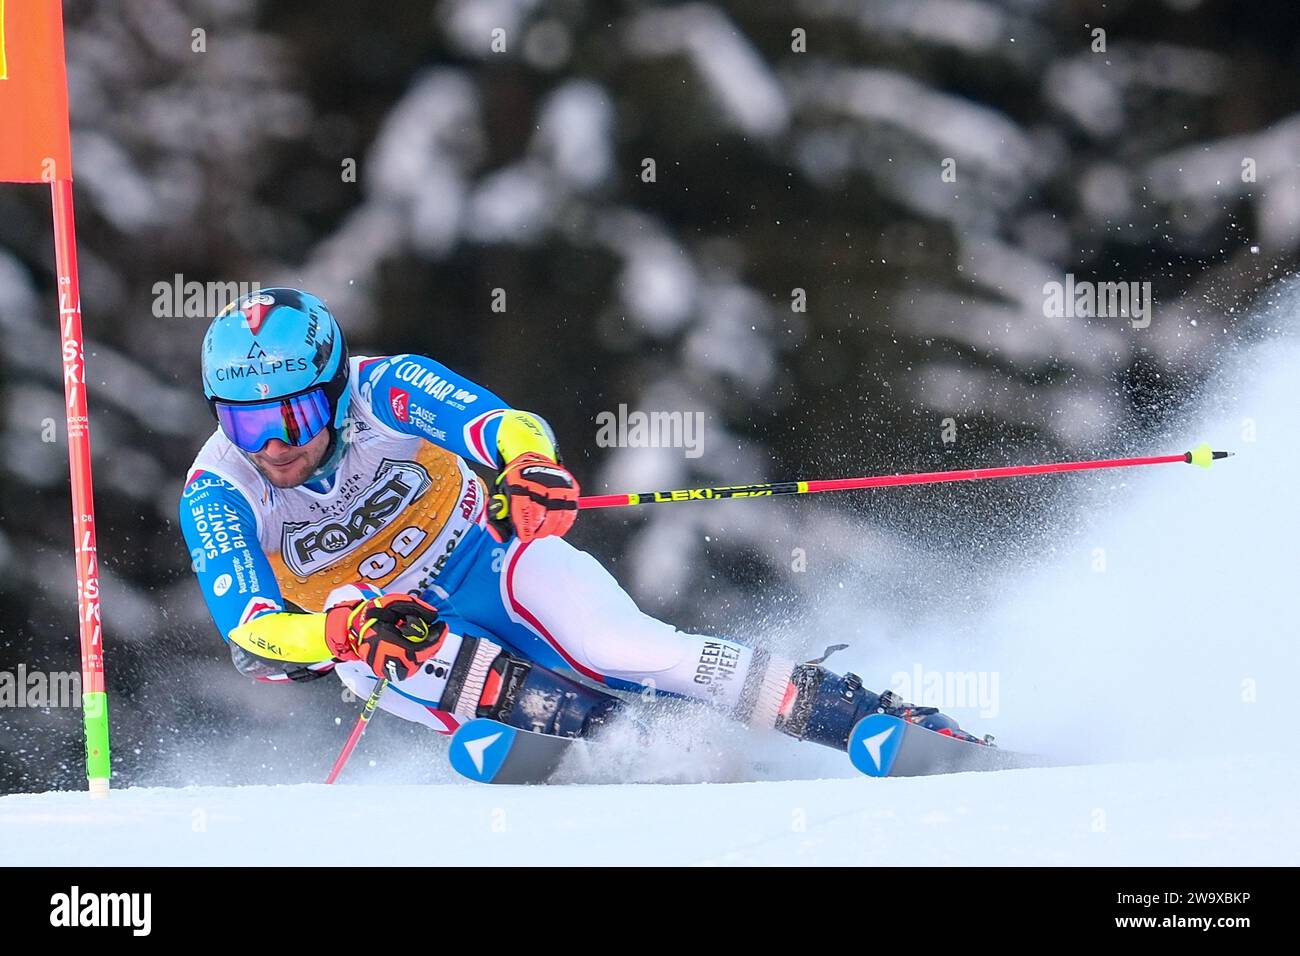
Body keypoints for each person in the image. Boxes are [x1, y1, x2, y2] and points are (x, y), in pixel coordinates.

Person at [179, 288, 980, 757]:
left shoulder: (383, 387)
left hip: (492, 562)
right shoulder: (218, 491)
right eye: (247, 423)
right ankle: (633, 746)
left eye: (293, 415)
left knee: (628, 650)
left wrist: (528, 468)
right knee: (406, 650)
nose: (274, 443)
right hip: (393, 635)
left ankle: (869, 717)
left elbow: (503, 426)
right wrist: (341, 632)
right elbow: (252, 630)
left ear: (332, 387)